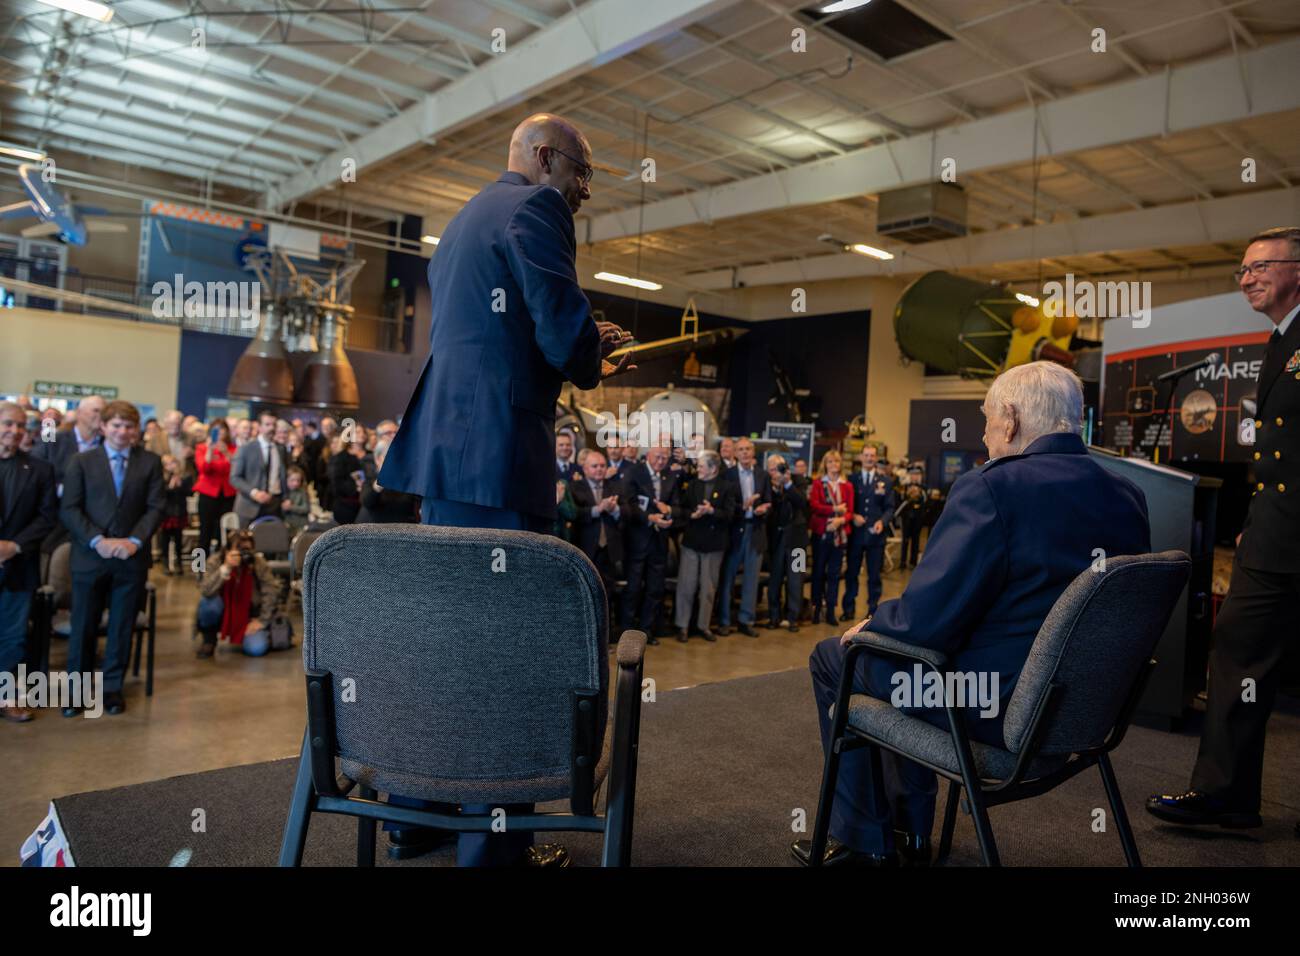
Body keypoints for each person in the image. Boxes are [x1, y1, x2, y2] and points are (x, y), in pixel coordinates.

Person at [377, 112, 635, 869]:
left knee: (444, 641)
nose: (584, 191)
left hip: (450, 457)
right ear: (548, 156)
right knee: (505, 653)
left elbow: (509, 327)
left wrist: (583, 337)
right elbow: (558, 333)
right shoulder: (538, 206)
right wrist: (590, 352)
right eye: (582, 171)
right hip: (500, 455)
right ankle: (491, 850)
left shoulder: (465, 218)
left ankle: (415, 816)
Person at [794, 361, 1151, 867]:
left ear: (1009, 419)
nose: (984, 437)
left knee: (840, 657)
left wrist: (873, 624)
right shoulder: (1128, 496)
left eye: (985, 421)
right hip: (1083, 711)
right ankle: (910, 832)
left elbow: (922, 622)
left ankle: (865, 842)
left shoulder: (992, 487)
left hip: (993, 705)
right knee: (897, 659)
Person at [1148, 226, 1300, 831]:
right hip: (1275, 535)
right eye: (1241, 270)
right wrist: (1257, 522)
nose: (1246, 278)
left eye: (1260, 266)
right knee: (1237, 653)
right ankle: (1225, 795)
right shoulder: (1280, 343)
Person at [59, 401, 164, 717]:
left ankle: (112, 689)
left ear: (136, 431)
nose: (122, 432)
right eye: (116, 425)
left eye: (129, 426)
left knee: (121, 626)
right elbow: (70, 509)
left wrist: (134, 541)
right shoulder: (81, 461)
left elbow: (156, 507)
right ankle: (76, 691)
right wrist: (97, 540)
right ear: (103, 427)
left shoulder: (150, 463)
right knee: (83, 626)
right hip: (91, 556)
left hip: (130, 558)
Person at [0, 402, 58, 722]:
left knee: (12, 636)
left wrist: (14, 545)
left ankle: (6, 697)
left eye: (21, 425)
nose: (15, 430)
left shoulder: (39, 469)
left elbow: (47, 517)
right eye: (8, 423)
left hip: (19, 566)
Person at [673, 450, 736, 643]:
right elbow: (683, 508)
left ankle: (704, 625)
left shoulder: (727, 487)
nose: (697, 468)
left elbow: (730, 515)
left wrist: (711, 511)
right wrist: (692, 514)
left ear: (713, 468)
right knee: (686, 585)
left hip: (714, 544)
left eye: (701, 465)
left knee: (708, 588)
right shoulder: (692, 485)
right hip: (692, 542)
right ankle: (682, 626)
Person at [621, 445, 680, 644]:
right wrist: (650, 518)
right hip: (638, 539)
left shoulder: (670, 476)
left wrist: (669, 514)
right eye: (658, 457)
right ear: (648, 456)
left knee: (655, 588)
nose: (661, 461)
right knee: (633, 588)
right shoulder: (633, 472)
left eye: (665, 458)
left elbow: (676, 504)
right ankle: (627, 632)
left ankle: (647, 632)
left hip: (660, 540)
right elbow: (628, 503)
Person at [195, 530, 283, 658]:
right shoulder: (216, 561)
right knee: (208, 604)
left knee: (256, 649)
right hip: (222, 611)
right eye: (240, 549)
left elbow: (271, 591)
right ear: (228, 550)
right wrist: (225, 568)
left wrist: (262, 620)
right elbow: (205, 590)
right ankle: (209, 640)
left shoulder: (258, 563)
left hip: (250, 616)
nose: (244, 554)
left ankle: (263, 635)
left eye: (248, 549)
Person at [717, 438, 771, 638]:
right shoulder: (727, 475)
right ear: (735, 454)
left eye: (748, 449)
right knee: (727, 579)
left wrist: (763, 509)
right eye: (741, 449)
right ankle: (724, 621)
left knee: (751, 579)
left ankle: (746, 620)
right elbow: (725, 506)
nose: (745, 452)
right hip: (734, 532)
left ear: (753, 451)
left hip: (756, 531)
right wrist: (744, 507)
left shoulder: (762, 475)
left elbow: (768, 501)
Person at [570, 449, 634, 606]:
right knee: (585, 592)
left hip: (610, 550)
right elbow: (574, 514)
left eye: (602, 465)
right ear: (585, 469)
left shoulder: (615, 486)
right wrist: (598, 509)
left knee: (607, 593)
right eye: (594, 466)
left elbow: (628, 512)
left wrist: (614, 510)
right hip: (585, 548)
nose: (599, 469)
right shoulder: (575, 488)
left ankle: (607, 629)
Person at [842, 446, 893, 619]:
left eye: (872, 455)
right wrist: (853, 515)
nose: (869, 458)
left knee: (874, 576)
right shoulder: (851, 479)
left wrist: (882, 521)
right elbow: (846, 504)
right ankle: (848, 609)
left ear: (876, 458)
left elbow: (889, 507)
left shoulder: (885, 481)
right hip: (855, 535)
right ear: (860, 457)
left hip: (875, 536)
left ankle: (872, 611)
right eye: (866, 455)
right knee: (851, 573)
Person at [764, 454, 808, 632]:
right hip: (775, 540)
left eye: (779, 468)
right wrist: (775, 490)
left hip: (798, 541)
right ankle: (774, 616)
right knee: (774, 580)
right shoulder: (766, 483)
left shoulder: (798, 480)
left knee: (796, 579)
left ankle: (793, 617)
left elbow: (802, 502)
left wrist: (788, 484)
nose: (777, 473)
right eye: (773, 469)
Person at [808, 450, 853, 626]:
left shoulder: (847, 485)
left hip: (839, 536)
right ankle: (816, 607)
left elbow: (850, 510)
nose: (834, 465)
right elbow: (814, 506)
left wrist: (841, 519)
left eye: (836, 462)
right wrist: (834, 511)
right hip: (821, 533)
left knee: (834, 574)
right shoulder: (818, 483)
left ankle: (831, 611)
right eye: (830, 462)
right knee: (818, 572)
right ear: (825, 464)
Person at [32, 393, 104, 493]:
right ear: (79, 413)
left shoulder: (108, 445)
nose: (101, 415)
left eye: (104, 412)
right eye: (96, 411)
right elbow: (35, 472)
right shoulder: (52, 440)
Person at [231, 411, 289, 528]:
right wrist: (254, 493)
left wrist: (285, 498)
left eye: (274, 425)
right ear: (259, 426)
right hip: (250, 505)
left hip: (274, 505)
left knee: (272, 544)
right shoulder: (246, 448)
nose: (271, 428)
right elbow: (234, 478)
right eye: (267, 424)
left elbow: (282, 476)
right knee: (247, 545)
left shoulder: (280, 449)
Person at [193, 419, 238, 558]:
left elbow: (236, 469)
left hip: (227, 494)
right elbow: (203, 468)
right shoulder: (202, 447)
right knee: (204, 532)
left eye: (222, 429)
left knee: (223, 533)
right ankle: (199, 568)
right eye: (216, 429)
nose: (219, 432)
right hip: (208, 494)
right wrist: (210, 450)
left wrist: (226, 453)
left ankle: (220, 565)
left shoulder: (233, 449)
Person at [357, 440, 419, 524]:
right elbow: (367, 502)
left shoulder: (407, 479)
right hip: (376, 531)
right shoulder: (370, 478)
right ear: (378, 459)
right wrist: (381, 480)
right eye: (389, 456)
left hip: (405, 531)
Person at [157, 454, 193, 575]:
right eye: (167, 464)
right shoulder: (161, 478)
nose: (171, 466)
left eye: (173, 462)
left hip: (179, 512)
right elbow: (160, 494)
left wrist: (180, 485)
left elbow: (190, 492)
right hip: (166, 513)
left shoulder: (185, 477)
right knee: (165, 539)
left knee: (178, 539)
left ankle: (179, 563)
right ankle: (166, 563)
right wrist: (171, 487)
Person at [328, 433, 366, 525]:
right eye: (357, 431)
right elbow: (336, 485)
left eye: (362, 431)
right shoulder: (340, 458)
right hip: (347, 505)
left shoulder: (370, 453)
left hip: (367, 505)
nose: (361, 434)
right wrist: (356, 486)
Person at [280, 466, 312, 535]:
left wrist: (291, 507)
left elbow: (306, 509)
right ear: (286, 480)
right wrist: (283, 507)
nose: (296, 483)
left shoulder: (302, 492)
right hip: (288, 526)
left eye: (298, 480)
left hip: (301, 526)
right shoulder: (284, 493)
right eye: (292, 480)